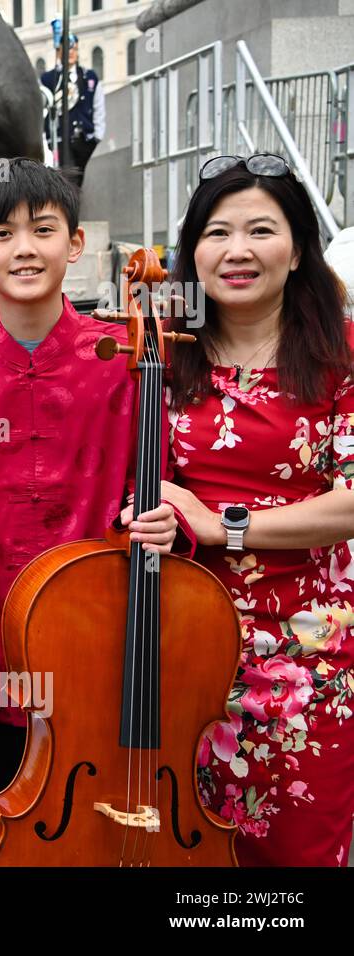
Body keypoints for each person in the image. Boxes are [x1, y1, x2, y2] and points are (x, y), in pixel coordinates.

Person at [0, 157, 178, 796]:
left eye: (44, 229)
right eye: (2, 234)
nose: (25, 249)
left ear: (77, 243)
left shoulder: (124, 360)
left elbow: (159, 491)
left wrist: (166, 521)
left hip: (104, 640)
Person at [159, 152, 354, 867]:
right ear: (193, 253)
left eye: (261, 230)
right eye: (216, 232)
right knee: (192, 860)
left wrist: (223, 525)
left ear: (299, 249)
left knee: (298, 857)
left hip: (312, 655)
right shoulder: (158, 357)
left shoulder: (343, 358)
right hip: (181, 652)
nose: (237, 250)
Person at [40, 34, 104, 186]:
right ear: (59, 51)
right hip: (57, 141)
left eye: (74, 49)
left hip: (84, 141)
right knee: (61, 183)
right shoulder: (48, 79)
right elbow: (41, 110)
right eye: (67, 49)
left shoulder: (90, 77)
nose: (71, 53)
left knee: (76, 182)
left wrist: (96, 136)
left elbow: (98, 107)